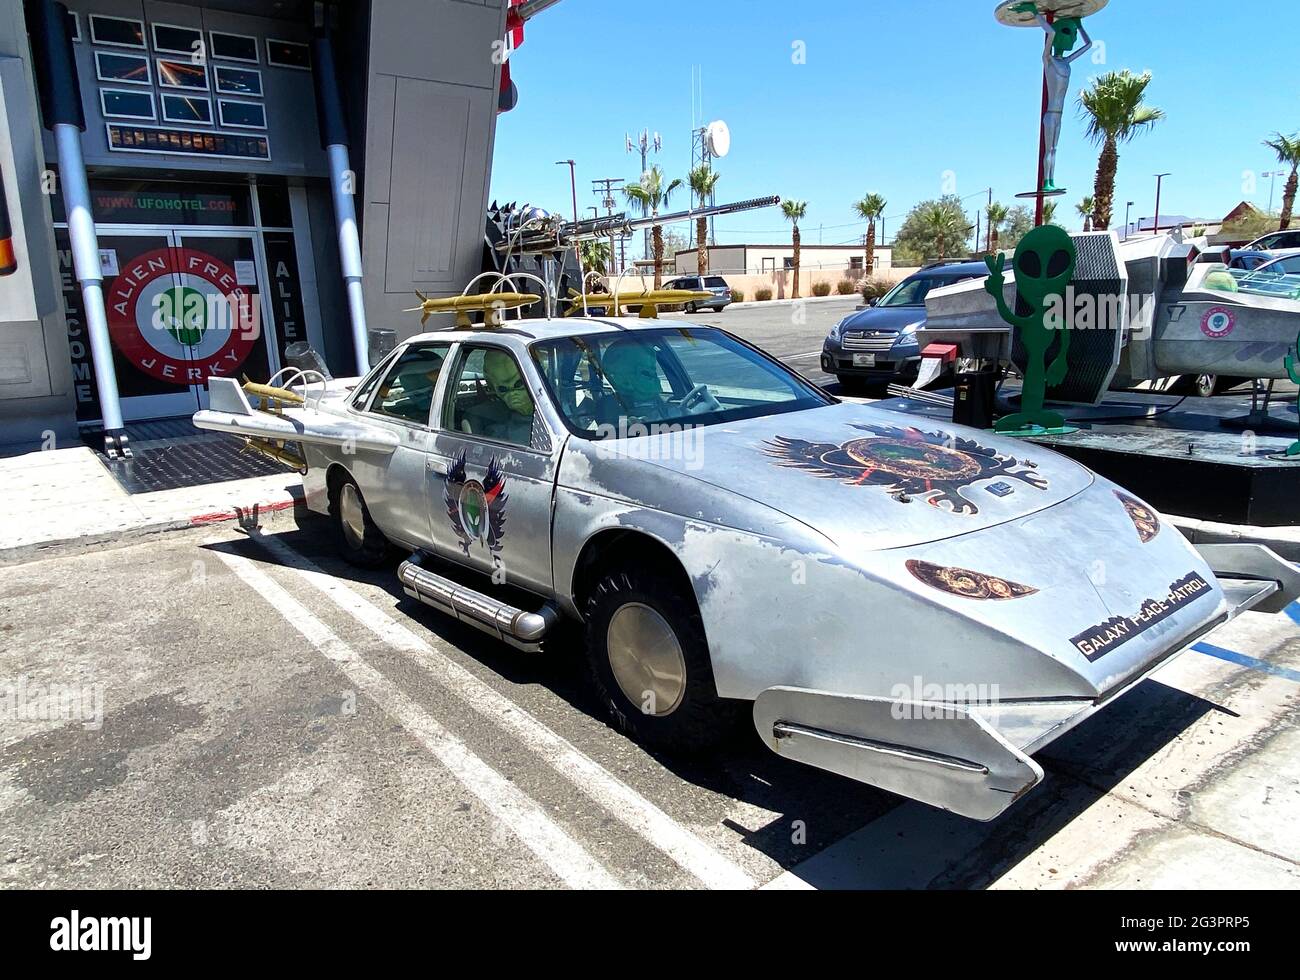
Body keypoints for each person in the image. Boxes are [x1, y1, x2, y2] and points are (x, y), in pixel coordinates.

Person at [1018, 3, 1092, 195]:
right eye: (1068, 33)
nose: (1071, 38)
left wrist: (1079, 24)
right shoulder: (1048, 60)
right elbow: (1050, 34)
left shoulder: (1065, 62)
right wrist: (1036, 14)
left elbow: (1089, 45)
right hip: (1050, 114)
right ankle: (1047, 181)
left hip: (1059, 114)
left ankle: (1051, 180)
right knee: (1049, 149)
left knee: (1055, 149)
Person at [600, 339, 719, 423]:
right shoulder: (613, 409)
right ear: (622, 380)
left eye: (654, 372)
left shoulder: (663, 404)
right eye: (646, 373)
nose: (656, 379)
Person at [460, 349, 536, 444]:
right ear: (494, 390)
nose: (513, 393)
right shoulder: (498, 433)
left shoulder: (554, 407)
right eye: (503, 389)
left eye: (519, 384)